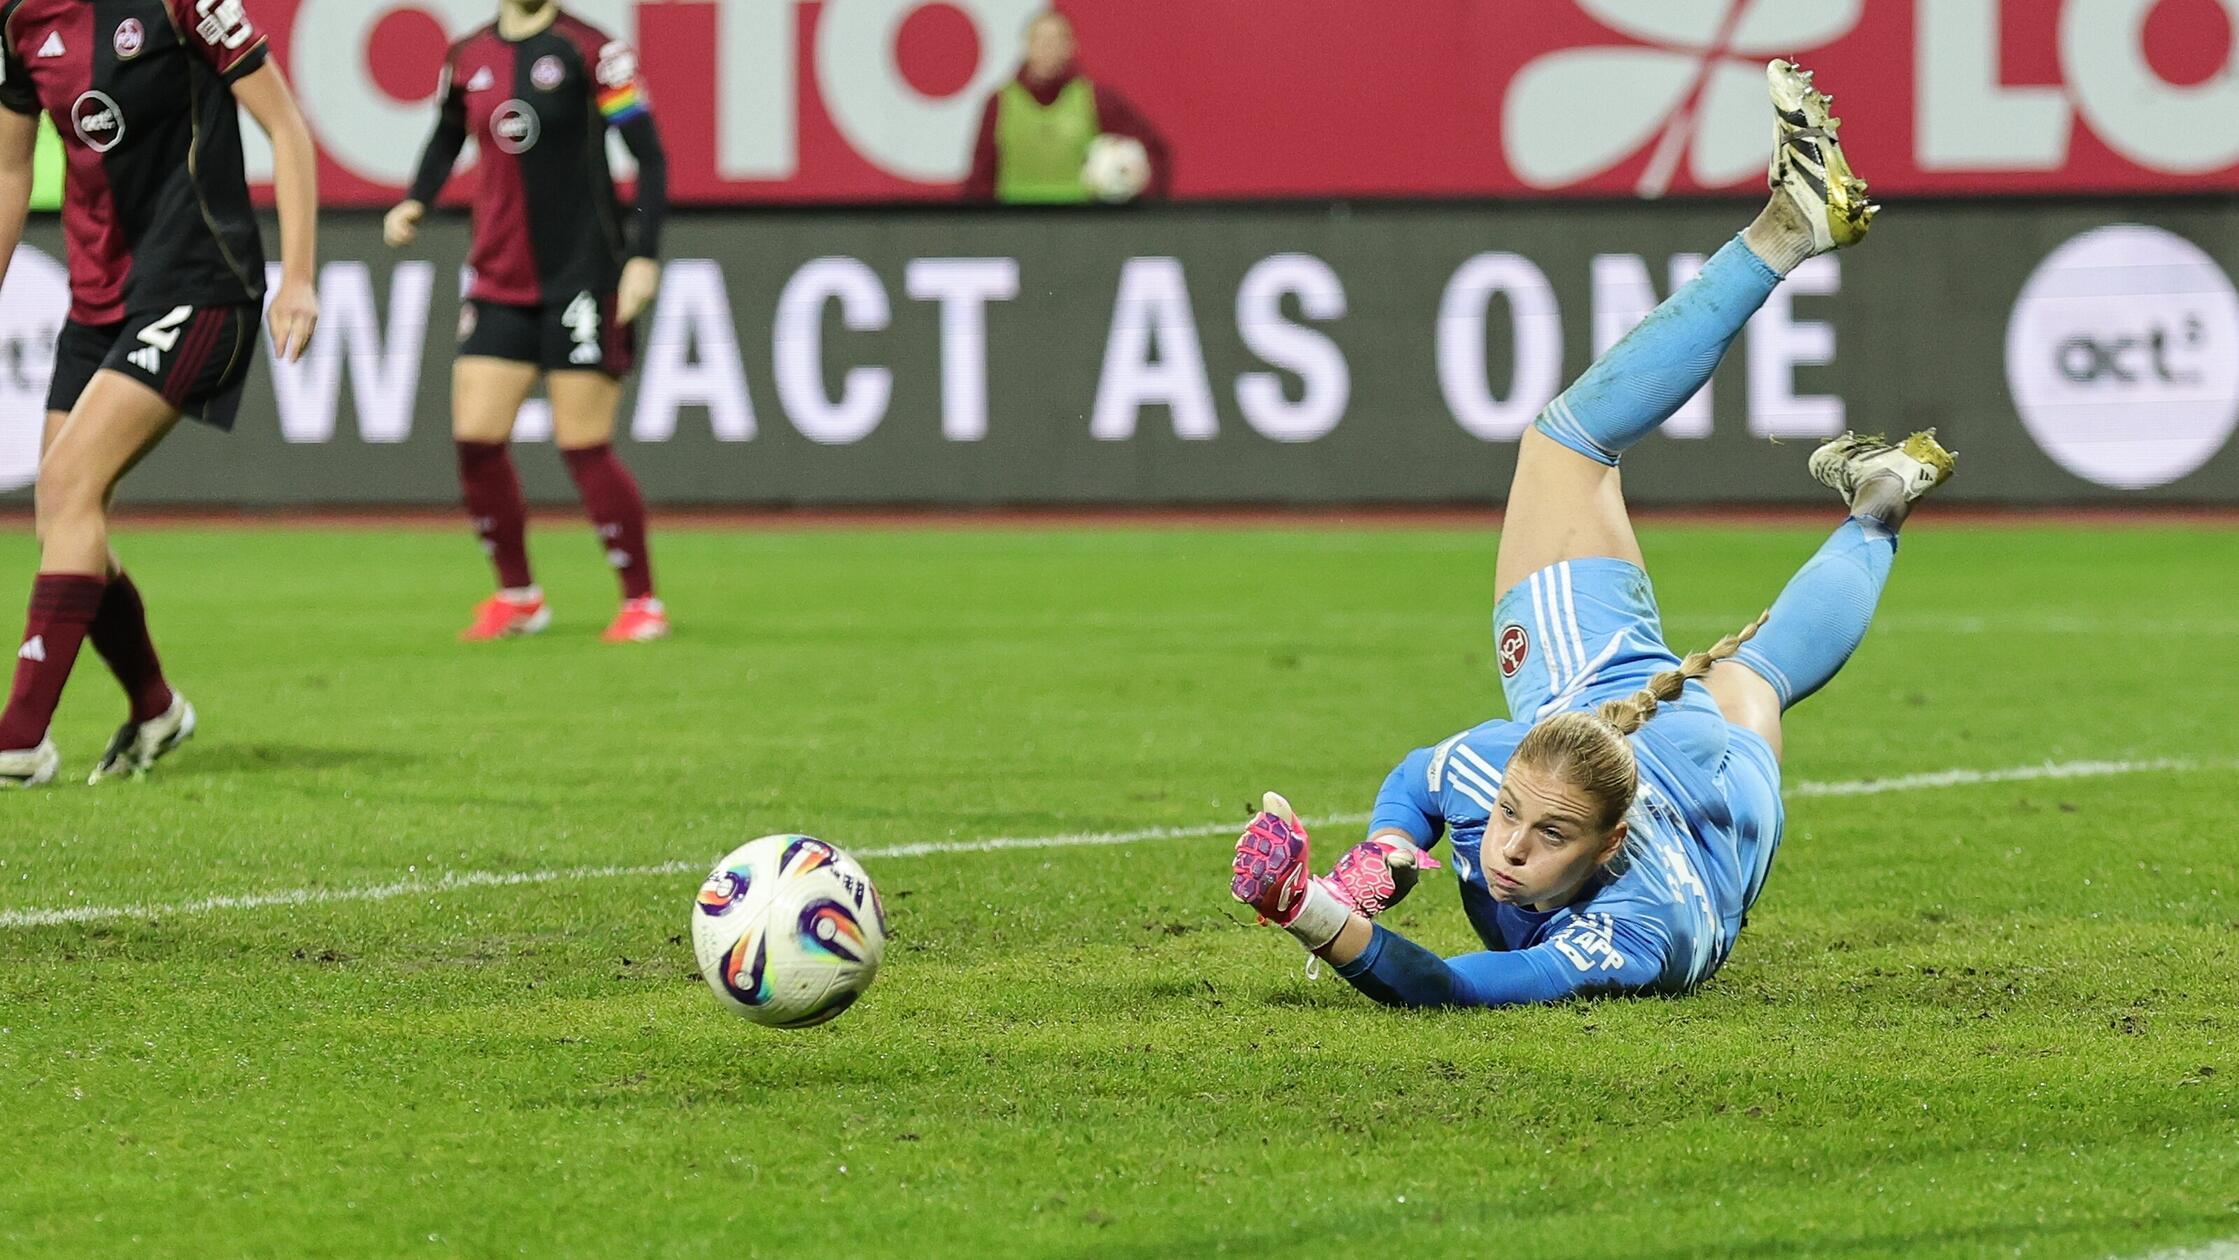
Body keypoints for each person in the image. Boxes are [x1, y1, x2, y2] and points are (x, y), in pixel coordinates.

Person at [1231, 61, 1956, 1008]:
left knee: (1741, 665)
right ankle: (1789, 253)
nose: (1510, 850)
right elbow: (1425, 778)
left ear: (1609, 842)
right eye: (1507, 819)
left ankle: (1875, 496)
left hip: (1729, 802)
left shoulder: (1627, 928)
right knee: (1578, 463)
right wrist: (1382, 852)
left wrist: (1308, 909)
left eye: (1547, 836)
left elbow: (1448, 987)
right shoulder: (1547, 805)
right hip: (1715, 805)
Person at [0, 0, 321, 789]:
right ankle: (157, 709)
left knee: (69, 486)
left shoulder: (185, 4)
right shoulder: (15, 22)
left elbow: (287, 130)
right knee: (62, 515)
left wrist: (300, 278)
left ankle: (19, 742)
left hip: (200, 285)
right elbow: (10, 168)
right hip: (97, 303)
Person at [385, 0, 670, 643]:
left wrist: (643, 258)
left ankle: (641, 601)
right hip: (498, 280)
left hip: (583, 276)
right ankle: (519, 597)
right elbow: (446, 134)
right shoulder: (467, 56)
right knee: (477, 439)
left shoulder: (592, 50)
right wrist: (415, 200)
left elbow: (650, 157)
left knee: (583, 444)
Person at [962, 10, 1169, 204]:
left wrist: (1141, 196)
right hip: (1014, 223)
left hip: (1079, 225)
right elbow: (981, 173)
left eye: (1056, 40)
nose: (1048, 48)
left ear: (1071, 46)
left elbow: (1155, 149)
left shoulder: (1096, 98)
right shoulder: (1000, 102)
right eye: (1040, 39)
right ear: (1026, 45)